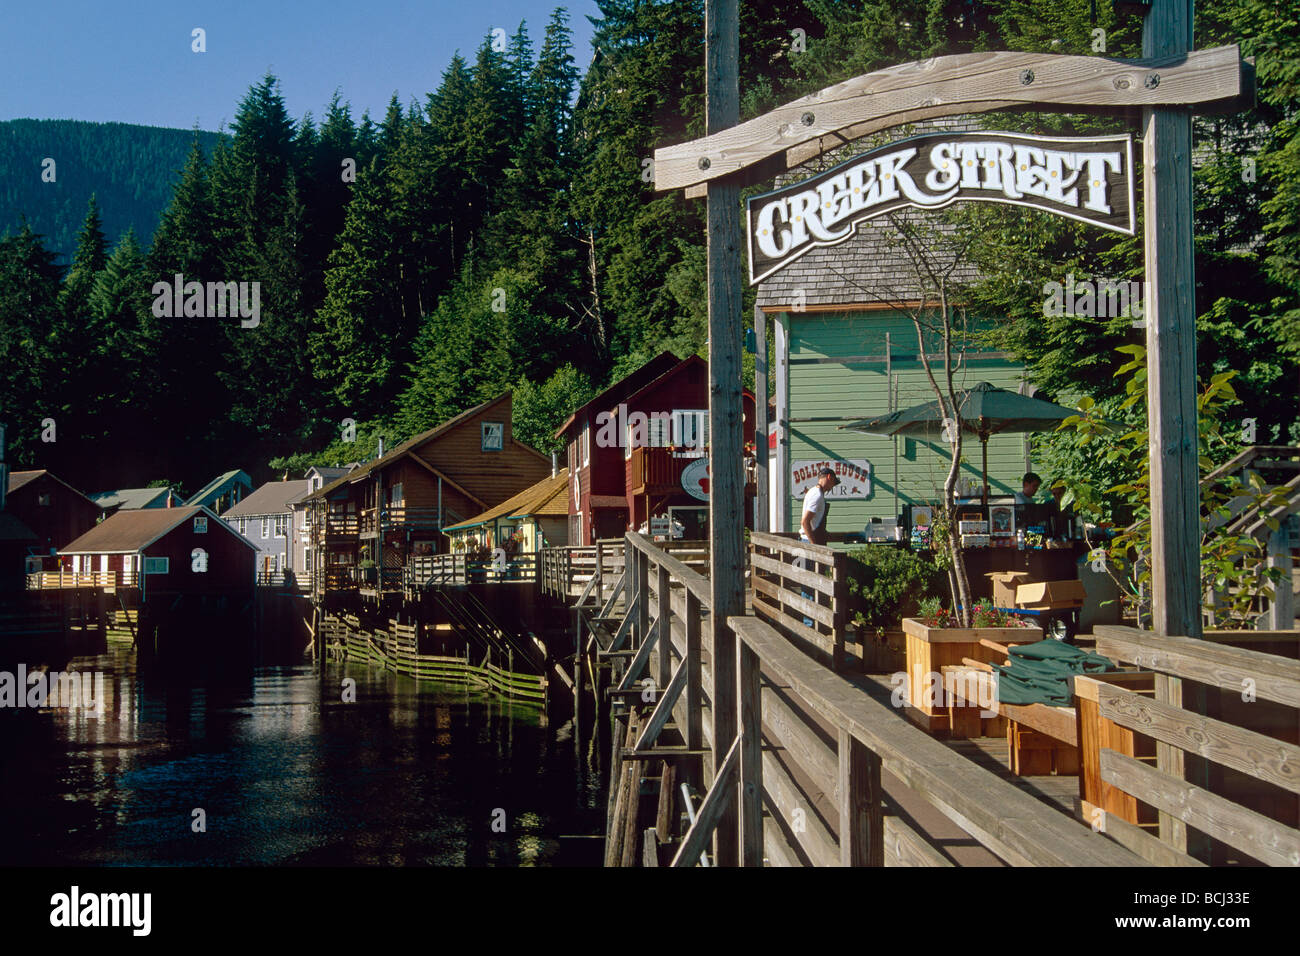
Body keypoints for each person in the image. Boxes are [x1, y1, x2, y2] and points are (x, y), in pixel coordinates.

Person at [800, 467, 839, 545]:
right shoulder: (817, 495)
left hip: (811, 538)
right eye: (834, 482)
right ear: (829, 477)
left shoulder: (813, 491)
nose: (832, 486)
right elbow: (805, 521)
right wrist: (813, 545)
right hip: (811, 540)